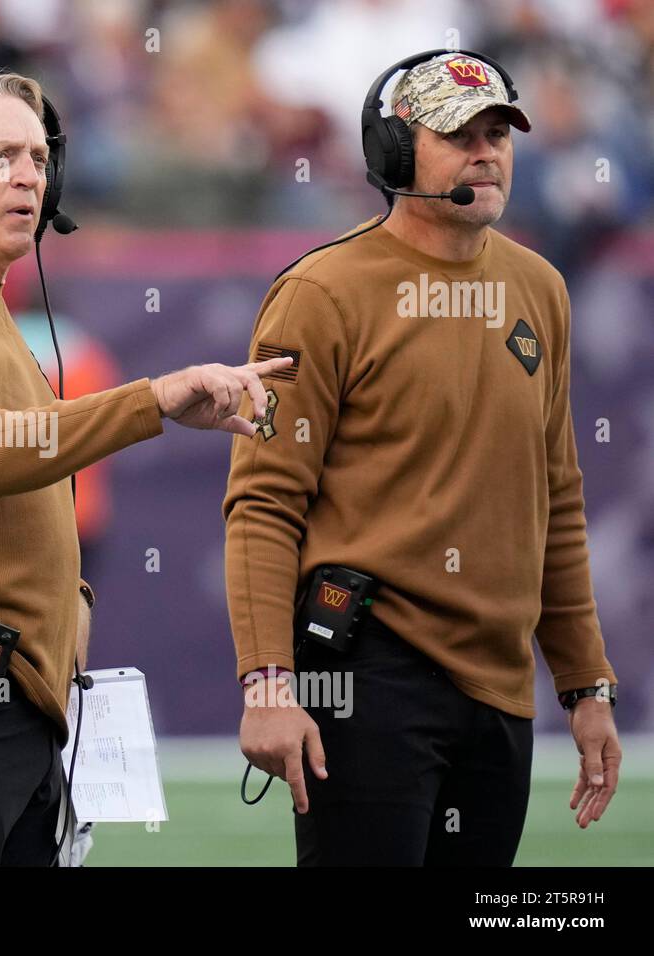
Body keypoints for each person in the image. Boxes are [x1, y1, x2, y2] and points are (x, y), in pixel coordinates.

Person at [0, 71, 292, 866]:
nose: (30, 176)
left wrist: (64, 610)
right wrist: (152, 400)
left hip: (1, 702)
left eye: (39, 157)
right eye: (0, 156)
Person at [224, 51, 622, 866]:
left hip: (501, 689)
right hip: (368, 673)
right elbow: (265, 506)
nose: (487, 150)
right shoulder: (322, 293)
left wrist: (586, 687)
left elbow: (558, 499)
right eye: (459, 134)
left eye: (498, 133)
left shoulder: (541, 288)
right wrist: (266, 684)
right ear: (396, 154)